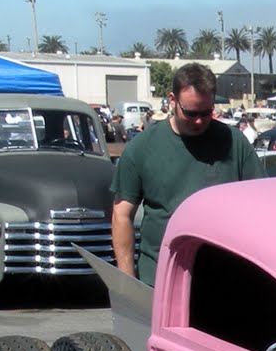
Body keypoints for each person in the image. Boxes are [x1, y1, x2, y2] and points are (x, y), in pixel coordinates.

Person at [110, 62, 264, 285]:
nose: (199, 121)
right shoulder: (142, 147)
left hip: (226, 281)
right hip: (162, 281)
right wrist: (126, 281)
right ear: (172, 101)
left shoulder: (234, 142)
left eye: (206, 112)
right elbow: (121, 215)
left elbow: (259, 205)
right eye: (191, 113)